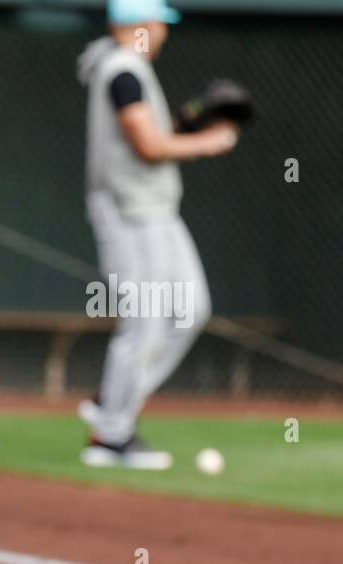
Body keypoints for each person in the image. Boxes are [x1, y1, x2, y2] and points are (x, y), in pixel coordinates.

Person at [76, 0, 239, 469]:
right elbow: (147, 146)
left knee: (190, 310)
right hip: (130, 210)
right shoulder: (124, 70)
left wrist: (188, 121)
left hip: (158, 208)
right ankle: (111, 436)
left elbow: (151, 134)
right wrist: (210, 141)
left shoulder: (128, 68)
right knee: (144, 318)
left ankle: (112, 400)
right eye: (158, 23)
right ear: (142, 26)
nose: (163, 32)